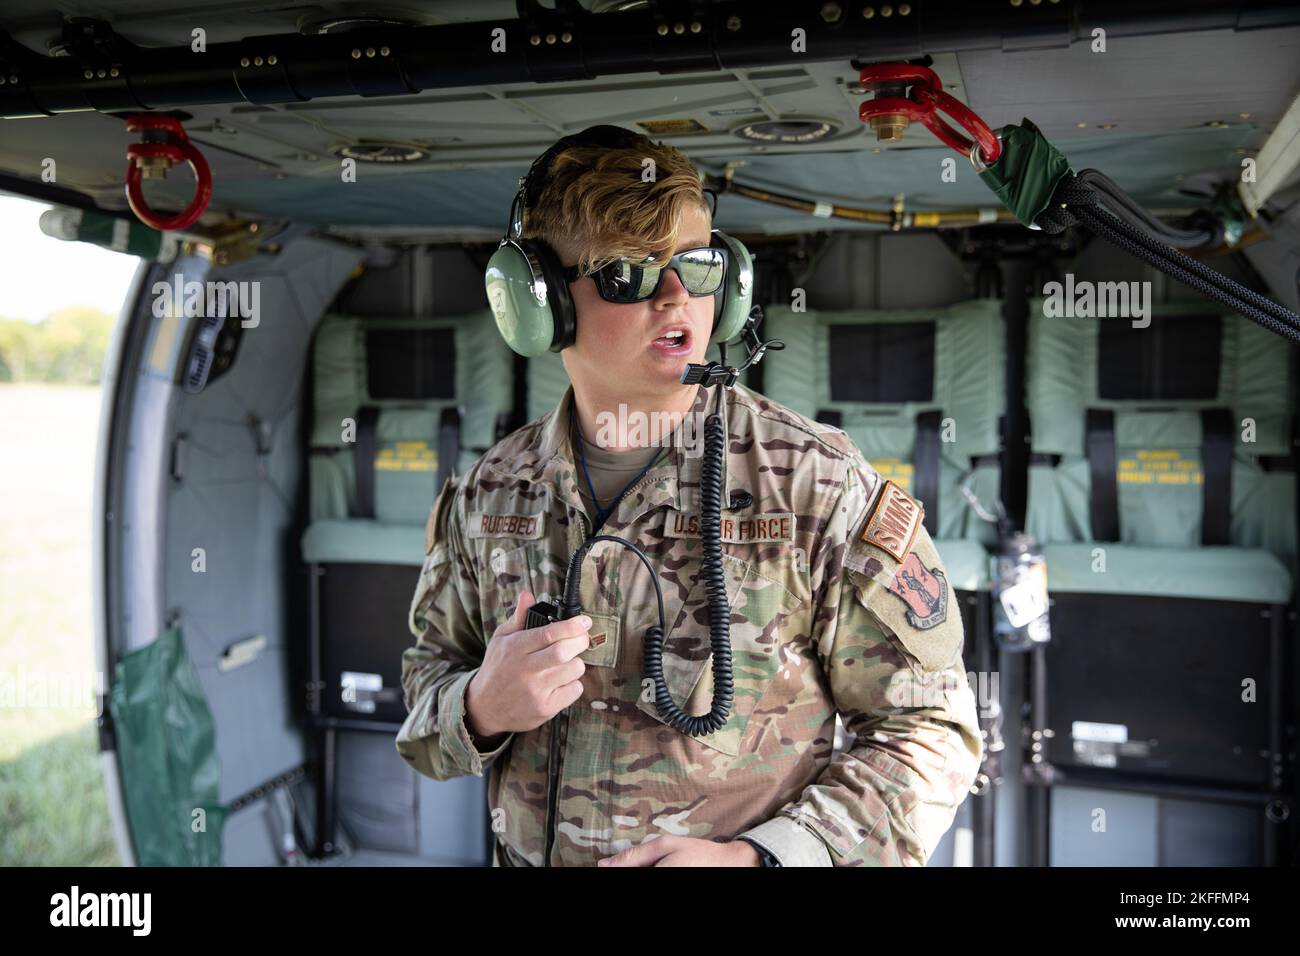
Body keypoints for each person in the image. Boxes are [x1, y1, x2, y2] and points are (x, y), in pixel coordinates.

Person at [395, 126, 984, 866]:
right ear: (540, 302)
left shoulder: (814, 484)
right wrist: (481, 706)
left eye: (697, 264)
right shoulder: (490, 492)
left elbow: (933, 730)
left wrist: (762, 858)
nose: (678, 296)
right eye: (627, 274)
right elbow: (422, 700)